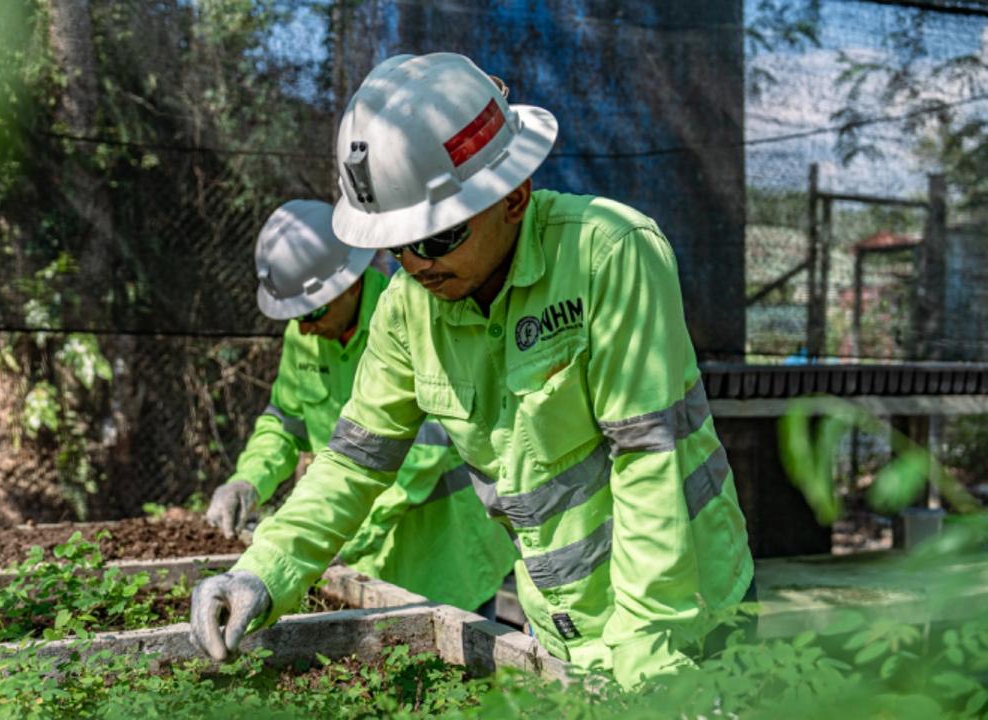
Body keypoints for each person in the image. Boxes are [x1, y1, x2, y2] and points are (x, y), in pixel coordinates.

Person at [191, 53, 754, 689]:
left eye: (436, 239)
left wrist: (649, 658)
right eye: (396, 245)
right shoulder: (408, 310)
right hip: (561, 623)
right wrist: (263, 571)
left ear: (514, 196)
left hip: (685, 617)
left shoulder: (610, 255)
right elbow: (352, 461)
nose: (414, 264)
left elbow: (648, 463)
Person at [204, 198, 517, 618]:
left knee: (460, 678)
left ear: (349, 285)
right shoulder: (307, 337)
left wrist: (338, 539)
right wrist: (247, 481)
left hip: (446, 555)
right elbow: (286, 423)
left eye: (313, 311)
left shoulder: (416, 314)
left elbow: (421, 457)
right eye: (295, 316)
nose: (305, 327)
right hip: (360, 557)